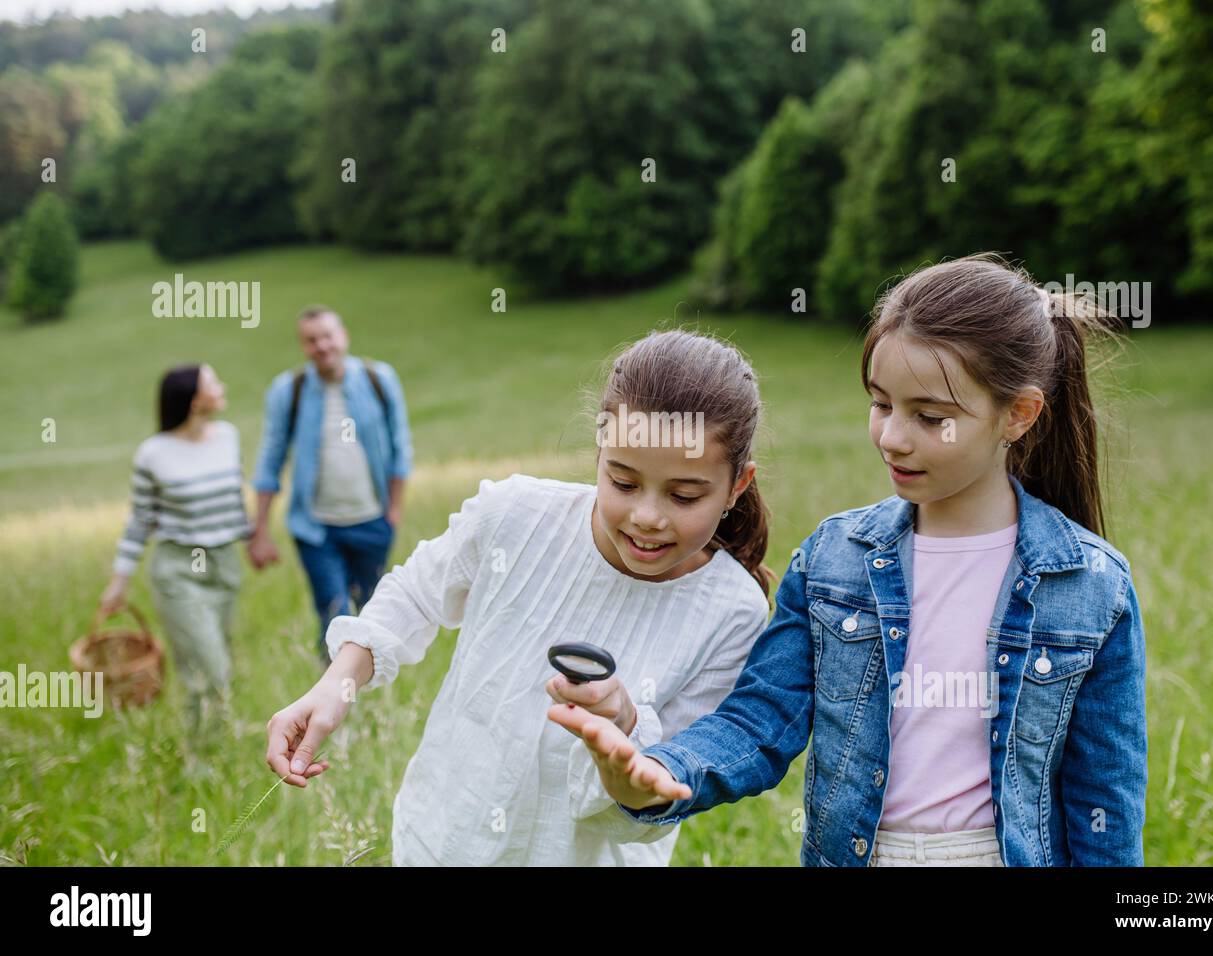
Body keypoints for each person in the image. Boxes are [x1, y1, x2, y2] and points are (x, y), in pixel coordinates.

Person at [555, 253, 1149, 867]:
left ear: (1018, 415)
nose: (893, 436)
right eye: (881, 404)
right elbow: (762, 720)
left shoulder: (1090, 584)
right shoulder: (834, 561)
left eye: (929, 417)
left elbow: (1104, 803)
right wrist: (660, 770)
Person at [265, 329, 774, 865]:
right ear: (599, 452)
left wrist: (623, 737)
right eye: (623, 482)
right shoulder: (515, 515)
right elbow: (414, 595)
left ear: (737, 485)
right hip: (443, 842)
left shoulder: (732, 612)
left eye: (684, 495)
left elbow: (653, 802)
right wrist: (335, 685)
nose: (647, 516)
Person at [249, 306, 413, 668]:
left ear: (343, 337)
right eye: (311, 340)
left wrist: (394, 513)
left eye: (327, 336)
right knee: (334, 614)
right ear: (303, 346)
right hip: (316, 529)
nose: (322, 346)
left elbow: (401, 449)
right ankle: (332, 708)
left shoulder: (379, 379)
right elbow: (270, 461)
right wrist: (260, 531)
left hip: (373, 522)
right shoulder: (288, 391)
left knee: (371, 615)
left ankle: (369, 698)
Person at [101, 363, 252, 733]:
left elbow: (233, 500)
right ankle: (204, 751)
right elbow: (139, 521)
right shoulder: (154, 453)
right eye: (213, 382)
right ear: (194, 399)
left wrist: (254, 538)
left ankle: (211, 743)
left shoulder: (228, 437)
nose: (221, 386)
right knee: (212, 664)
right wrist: (119, 582)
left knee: (208, 660)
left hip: (224, 563)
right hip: (179, 569)